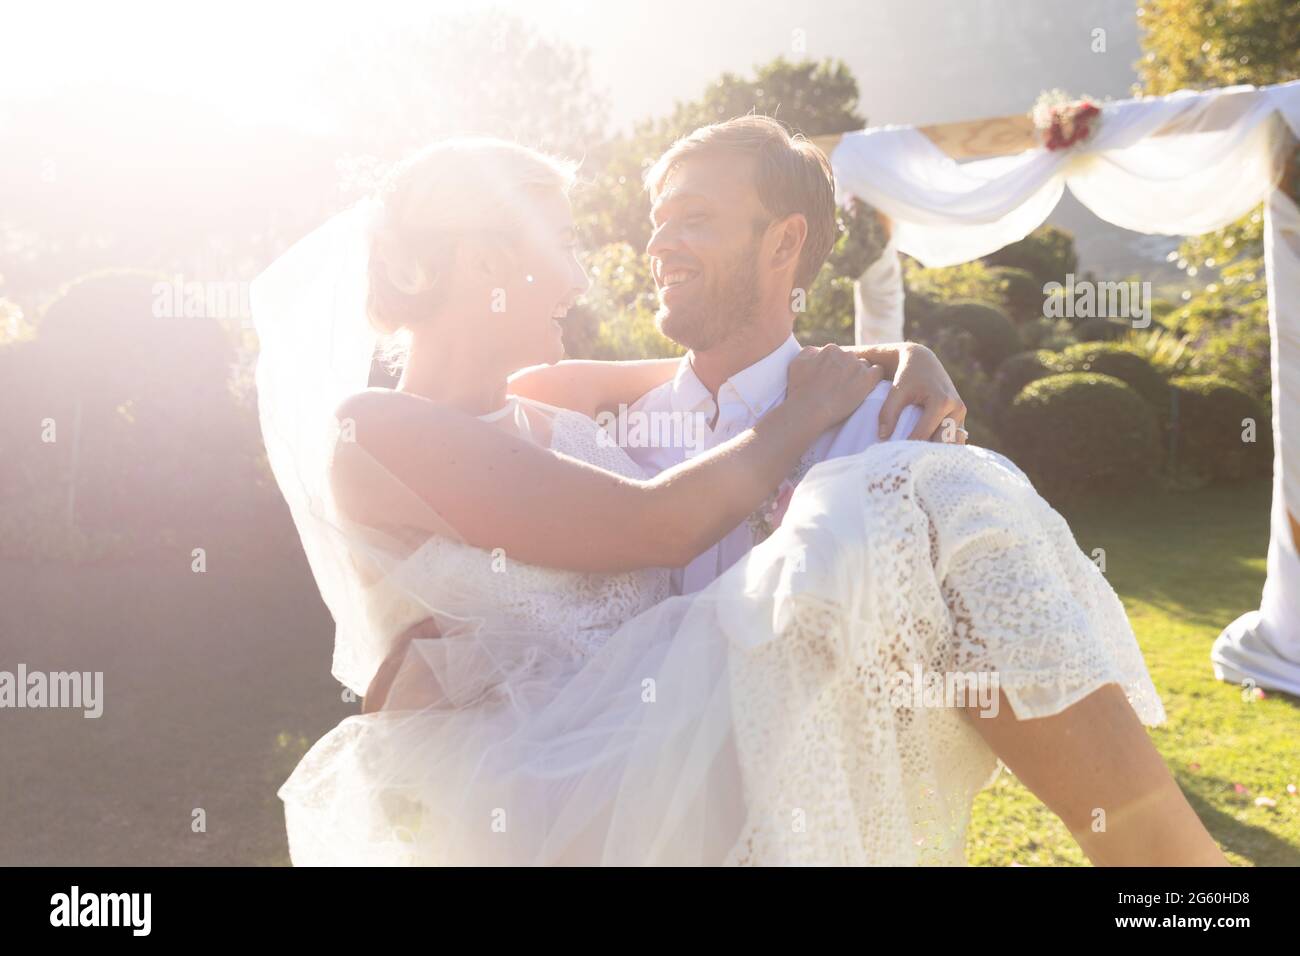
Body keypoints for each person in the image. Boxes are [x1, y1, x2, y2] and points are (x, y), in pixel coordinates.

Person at [256, 133, 1228, 865]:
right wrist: (803, 422)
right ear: (483, 264)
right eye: (561, 241)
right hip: (573, 781)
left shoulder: (545, 397)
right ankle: (1183, 875)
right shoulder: (374, 428)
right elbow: (655, 523)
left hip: (668, 731)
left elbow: (735, 364)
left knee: (943, 502)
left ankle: (1172, 873)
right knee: (915, 505)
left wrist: (898, 356)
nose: (585, 273)